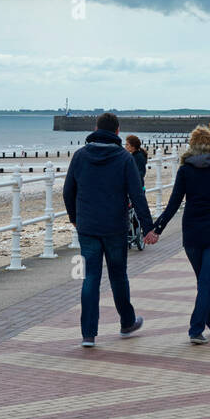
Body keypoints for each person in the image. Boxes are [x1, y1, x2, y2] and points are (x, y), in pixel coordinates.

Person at [145, 126, 210, 344]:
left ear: (192, 145)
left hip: (191, 234)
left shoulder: (185, 170)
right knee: (205, 282)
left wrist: (157, 229)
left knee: (204, 281)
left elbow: (173, 204)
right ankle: (195, 330)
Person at [63, 112, 154, 348]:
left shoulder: (80, 156)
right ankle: (126, 322)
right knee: (118, 275)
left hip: (88, 227)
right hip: (114, 226)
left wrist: (75, 218)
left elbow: (67, 191)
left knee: (90, 276)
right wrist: (148, 227)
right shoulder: (124, 157)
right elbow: (137, 193)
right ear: (117, 131)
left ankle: (88, 334)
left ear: (96, 128)